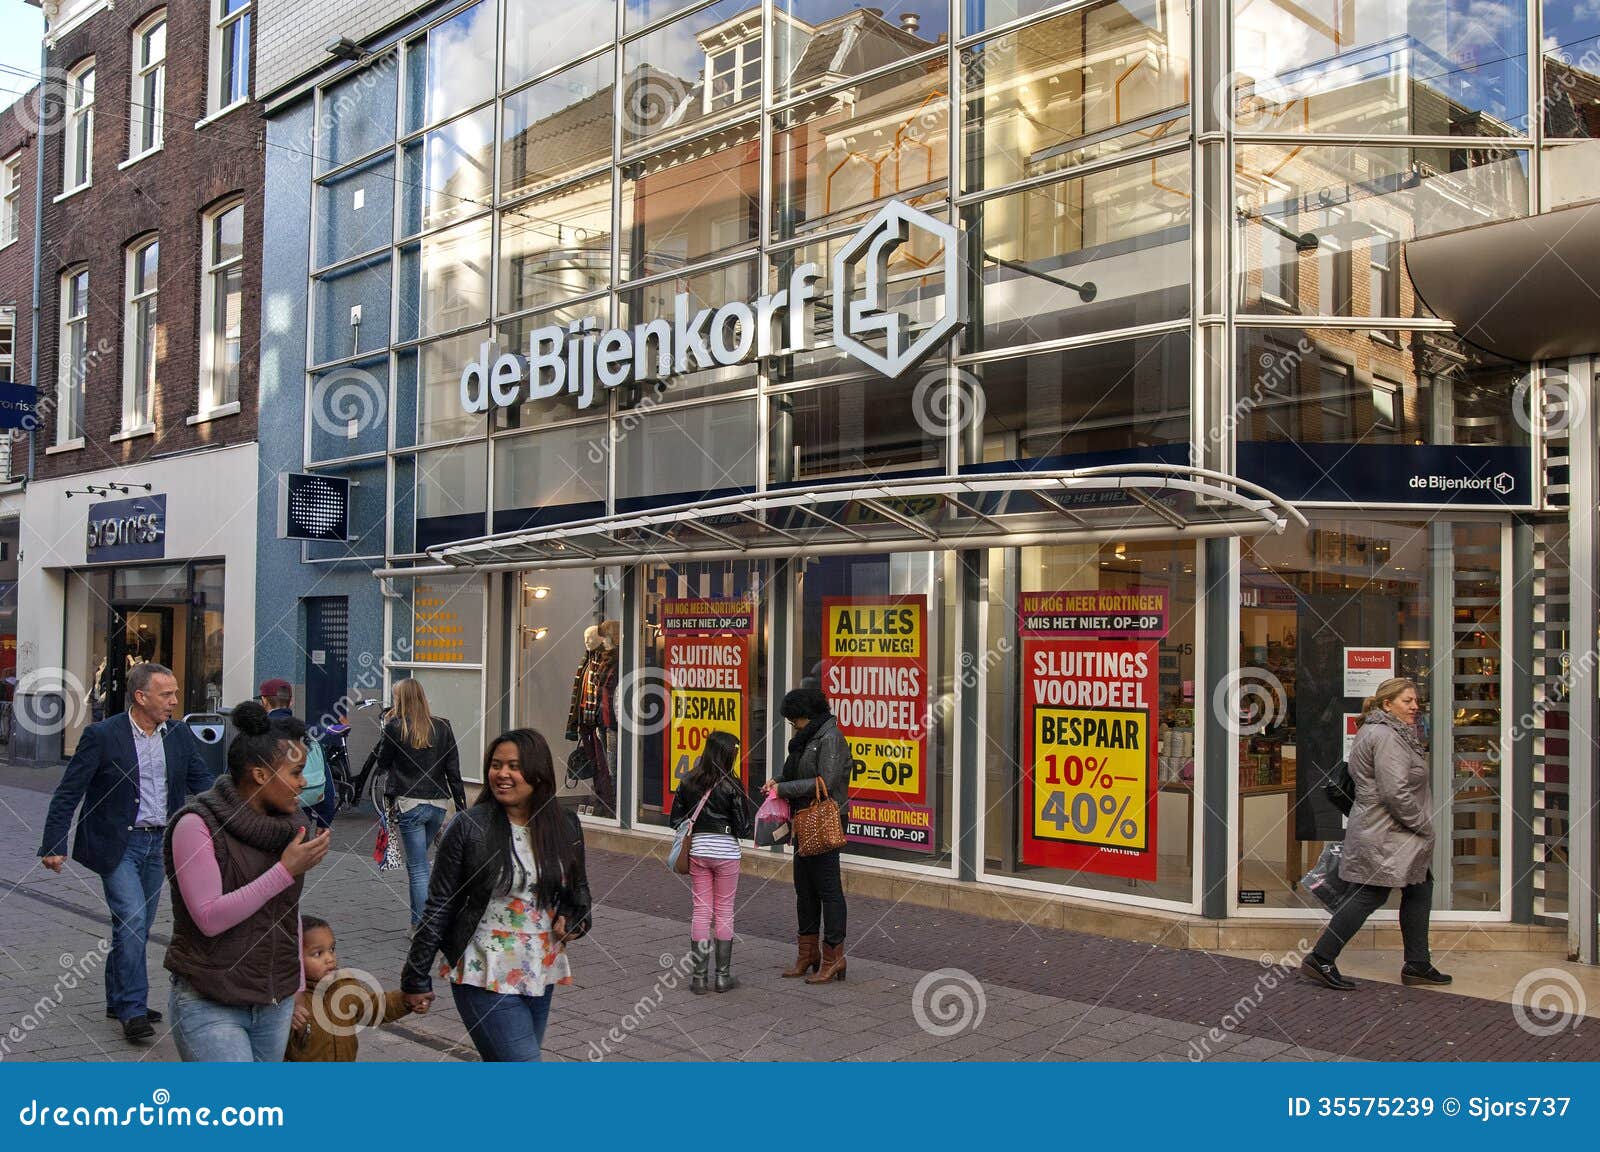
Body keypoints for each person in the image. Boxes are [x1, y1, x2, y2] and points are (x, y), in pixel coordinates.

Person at [37, 661, 214, 1042]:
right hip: (118, 844)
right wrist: (53, 843)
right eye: (166, 694)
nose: (174, 700)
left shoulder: (179, 735)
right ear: (140, 696)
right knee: (133, 922)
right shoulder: (103, 735)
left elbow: (203, 783)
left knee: (135, 925)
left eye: (175, 692)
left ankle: (117, 999)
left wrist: (245, 807)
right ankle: (133, 1011)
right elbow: (70, 791)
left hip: (160, 843)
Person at [402, 729, 591, 1062]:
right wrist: (415, 977)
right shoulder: (468, 827)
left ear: (538, 772)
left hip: (539, 969)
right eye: (496, 765)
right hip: (483, 970)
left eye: (514, 766)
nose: (502, 774)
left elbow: (579, 895)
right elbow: (439, 905)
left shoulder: (565, 825)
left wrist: (575, 920)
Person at [163, 702, 333, 1061]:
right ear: (259, 775)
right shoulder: (196, 825)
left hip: (274, 1000)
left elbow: (286, 913)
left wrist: (297, 984)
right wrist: (284, 870)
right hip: (210, 1000)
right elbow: (209, 918)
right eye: (296, 772)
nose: (304, 783)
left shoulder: (290, 829)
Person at [1302, 677, 1452, 991]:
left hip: (1389, 829)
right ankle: (1321, 957)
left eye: (1415, 700)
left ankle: (1417, 963)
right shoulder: (1386, 736)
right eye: (1407, 701)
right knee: (1369, 894)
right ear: (1387, 704)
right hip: (1388, 830)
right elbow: (1394, 791)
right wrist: (1422, 824)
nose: (1414, 706)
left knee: (1419, 886)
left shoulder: (1386, 731)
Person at [763, 687, 851, 984]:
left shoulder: (831, 738)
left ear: (808, 716)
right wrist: (778, 780)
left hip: (825, 819)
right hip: (803, 819)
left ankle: (833, 957)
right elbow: (798, 772)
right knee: (804, 888)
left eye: (795, 720)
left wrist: (784, 790)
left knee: (828, 889)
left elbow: (825, 781)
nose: (793, 726)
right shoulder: (807, 739)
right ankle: (808, 953)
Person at [377, 679, 468, 925]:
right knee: (420, 864)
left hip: (410, 804)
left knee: (418, 868)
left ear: (401, 699)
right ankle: (427, 919)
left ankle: (422, 926)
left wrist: (386, 731)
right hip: (438, 804)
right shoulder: (442, 726)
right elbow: (453, 770)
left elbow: (382, 764)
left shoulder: (395, 727)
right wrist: (462, 808)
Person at [668, 732, 752, 994]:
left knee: (701, 911)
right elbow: (743, 828)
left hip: (699, 850)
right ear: (728, 755)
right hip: (726, 852)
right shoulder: (733, 784)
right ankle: (722, 977)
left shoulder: (689, 780)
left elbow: (675, 820)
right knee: (724, 910)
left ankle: (699, 978)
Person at [285, 915, 421, 1061]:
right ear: (293, 958)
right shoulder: (289, 1000)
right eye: (318, 953)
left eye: (332, 949)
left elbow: (373, 1007)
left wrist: (406, 999)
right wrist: (286, 1015)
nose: (330, 958)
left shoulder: (344, 984)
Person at [261, 677, 337, 831]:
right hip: (300, 820)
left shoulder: (257, 733)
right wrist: (324, 821)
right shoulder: (307, 733)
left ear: (264, 701)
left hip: (264, 819)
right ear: (291, 702)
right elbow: (325, 778)